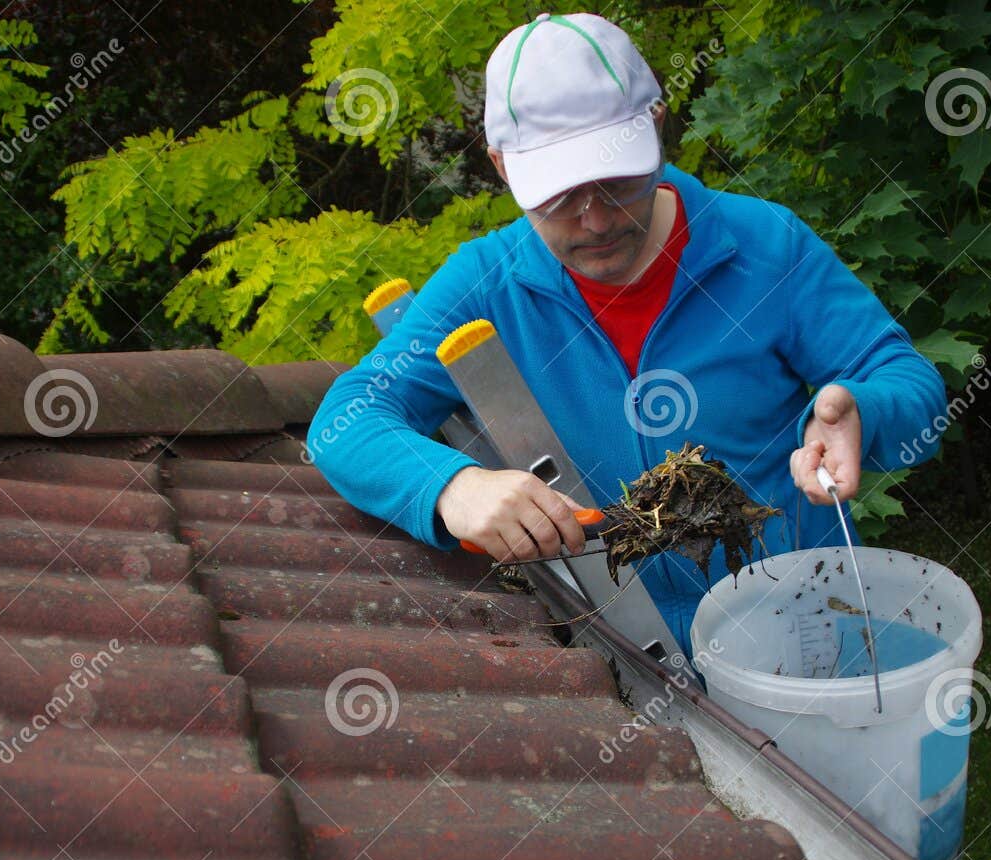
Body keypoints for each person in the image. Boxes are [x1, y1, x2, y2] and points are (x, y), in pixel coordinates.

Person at [307, 12, 945, 657]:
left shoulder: (764, 247)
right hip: (634, 655)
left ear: (657, 127)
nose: (595, 220)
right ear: (502, 169)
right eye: (557, 196)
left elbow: (909, 379)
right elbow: (348, 419)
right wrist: (451, 486)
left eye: (617, 180)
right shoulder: (484, 286)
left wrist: (866, 411)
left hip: (808, 619)